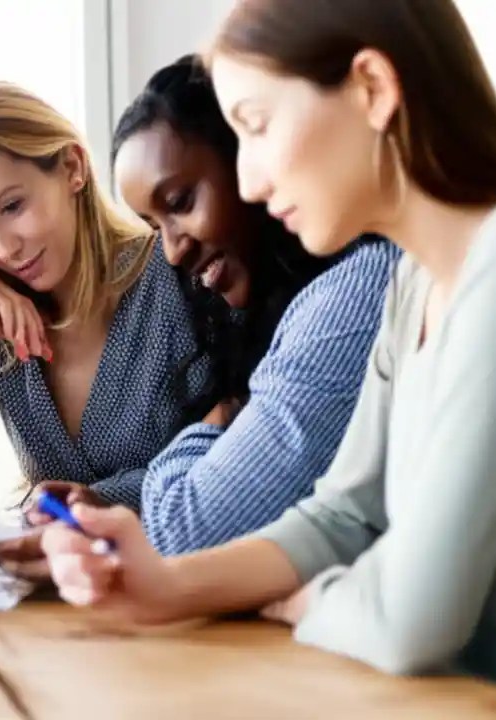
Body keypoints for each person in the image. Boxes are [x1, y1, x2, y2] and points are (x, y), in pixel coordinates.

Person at [42, 0, 496, 700]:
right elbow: (343, 517)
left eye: (255, 126)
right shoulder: (412, 282)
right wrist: (163, 586)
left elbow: (410, 619)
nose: (250, 181)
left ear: (372, 89)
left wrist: (309, 601)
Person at [100, 56, 399, 555]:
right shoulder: (273, 315)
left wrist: (216, 422)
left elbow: (185, 530)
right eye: (155, 227)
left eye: (179, 203)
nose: (172, 251)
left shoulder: (354, 292)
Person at [0, 82, 208, 509]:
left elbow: (228, 462)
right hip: (59, 575)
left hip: (187, 571)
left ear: (73, 167)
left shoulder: (180, 278)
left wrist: (86, 502)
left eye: (11, 207)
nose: (2, 249)